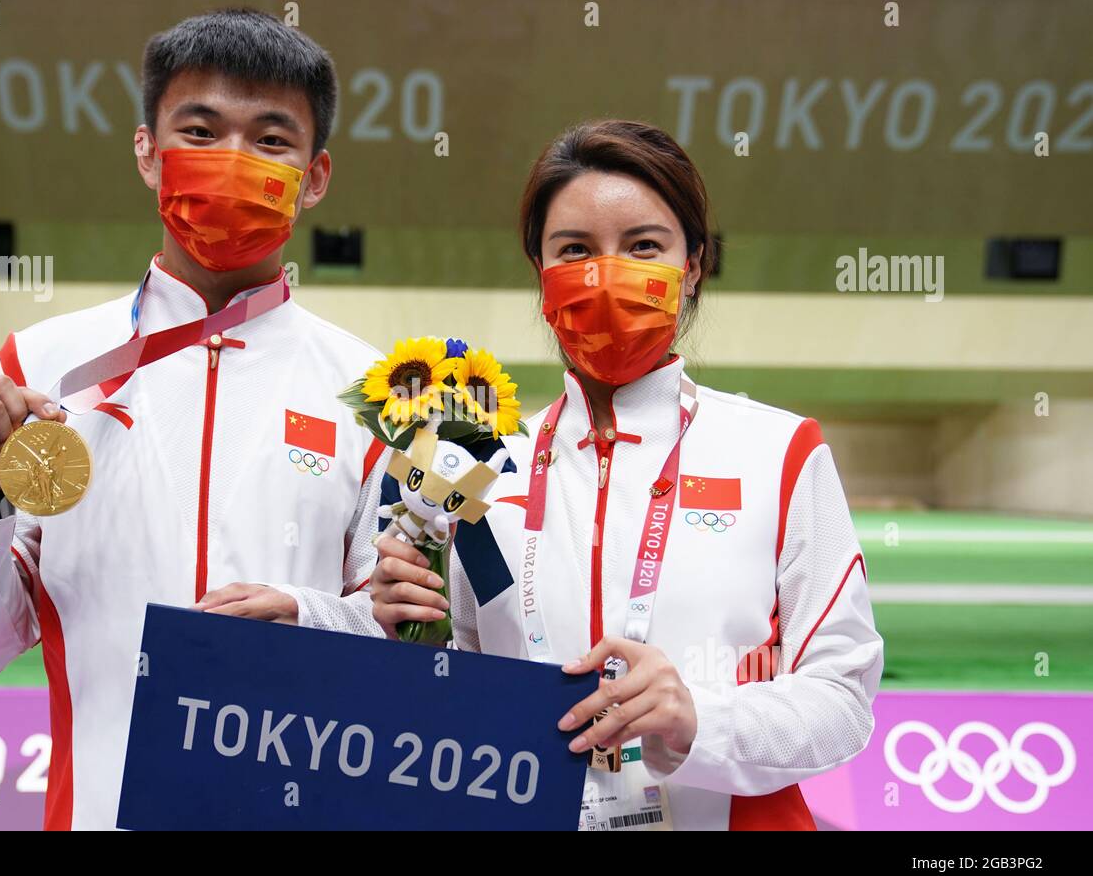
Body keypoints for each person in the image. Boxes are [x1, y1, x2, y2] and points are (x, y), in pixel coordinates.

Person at [0, 9, 389, 830]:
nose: (232, 162)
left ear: (315, 177)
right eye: (199, 131)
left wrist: (309, 615)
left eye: (270, 140)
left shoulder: (375, 392)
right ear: (147, 152)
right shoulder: (40, 366)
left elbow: (409, 648)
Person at [369, 120, 883, 830]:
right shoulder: (476, 463)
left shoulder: (780, 450)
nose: (607, 275)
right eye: (575, 250)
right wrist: (405, 641)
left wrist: (698, 718)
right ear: (541, 274)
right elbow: (455, 691)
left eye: (643, 247)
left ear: (693, 265)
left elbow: (844, 701)